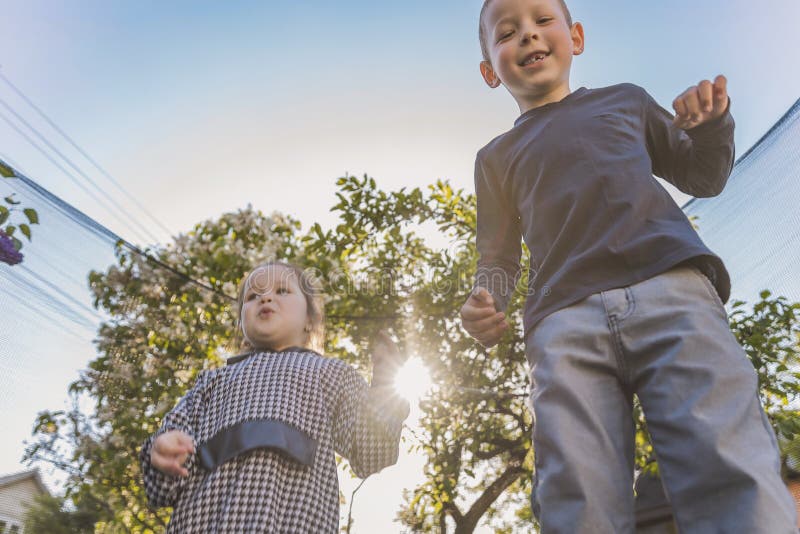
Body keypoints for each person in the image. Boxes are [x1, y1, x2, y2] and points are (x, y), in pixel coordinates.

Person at [460, 0, 798, 531]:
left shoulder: (626, 102)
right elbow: (497, 255)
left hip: (672, 290)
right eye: (507, 32)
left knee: (723, 454)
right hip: (563, 324)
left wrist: (709, 128)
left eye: (542, 21)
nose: (527, 35)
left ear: (577, 37)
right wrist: (488, 296)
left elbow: (702, 177)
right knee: (577, 488)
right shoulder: (495, 157)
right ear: (488, 70)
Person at [140, 260, 409, 532]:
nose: (266, 297)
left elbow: (371, 453)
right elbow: (166, 484)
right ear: (241, 323)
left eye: (282, 291)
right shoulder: (212, 381)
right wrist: (162, 451)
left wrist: (385, 388)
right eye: (253, 296)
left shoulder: (331, 374)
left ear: (309, 319)